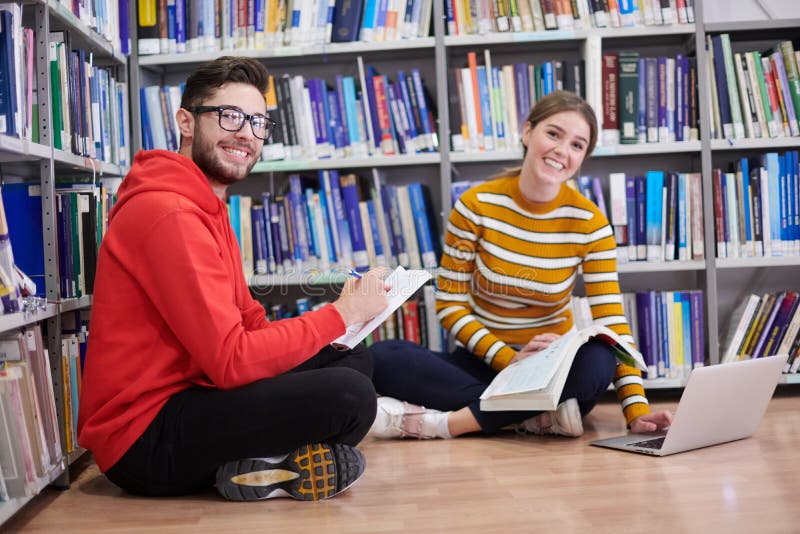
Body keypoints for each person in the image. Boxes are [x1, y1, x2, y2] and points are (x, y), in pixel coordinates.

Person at [77, 57, 390, 502]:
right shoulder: (170, 214)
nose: (246, 134)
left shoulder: (207, 205)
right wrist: (341, 313)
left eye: (258, 122)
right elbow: (231, 361)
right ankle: (269, 464)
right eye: (230, 116)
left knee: (350, 357)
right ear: (186, 121)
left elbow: (250, 326)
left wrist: (344, 325)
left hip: (195, 391)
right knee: (349, 396)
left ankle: (254, 466)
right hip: (144, 439)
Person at [368, 90, 673, 440]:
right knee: (383, 356)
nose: (562, 150)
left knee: (600, 359)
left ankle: (446, 423)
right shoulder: (475, 205)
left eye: (577, 145)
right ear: (528, 132)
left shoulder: (590, 224)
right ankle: (535, 418)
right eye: (554, 134)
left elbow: (612, 323)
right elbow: (450, 305)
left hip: (551, 372)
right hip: (483, 362)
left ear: (583, 158)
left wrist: (636, 412)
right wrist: (507, 360)